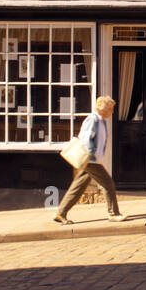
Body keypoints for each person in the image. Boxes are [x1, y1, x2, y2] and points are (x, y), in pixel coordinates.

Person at [53, 95, 123, 223]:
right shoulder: (93, 120)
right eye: (111, 109)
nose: (112, 112)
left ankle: (60, 213)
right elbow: (85, 138)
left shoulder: (101, 121)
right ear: (103, 108)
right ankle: (113, 213)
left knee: (78, 187)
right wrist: (91, 154)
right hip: (90, 160)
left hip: (93, 159)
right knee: (108, 184)